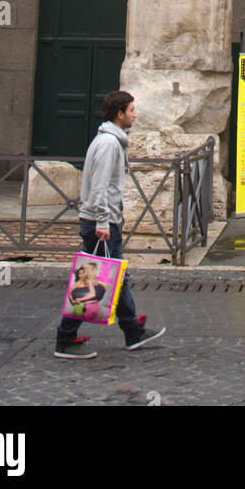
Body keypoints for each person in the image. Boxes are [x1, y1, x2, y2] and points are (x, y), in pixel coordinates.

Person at [54, 90, 166, 358]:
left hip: (103, 222)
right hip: (100, 225)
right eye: (131, 110)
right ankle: (65, 339)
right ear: (120, 113)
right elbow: (100, 187)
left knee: (116, 278)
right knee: (91, 281)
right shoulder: (109, 145)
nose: (135, 114)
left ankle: (132, 332)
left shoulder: (110, 141)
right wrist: (103, 221)